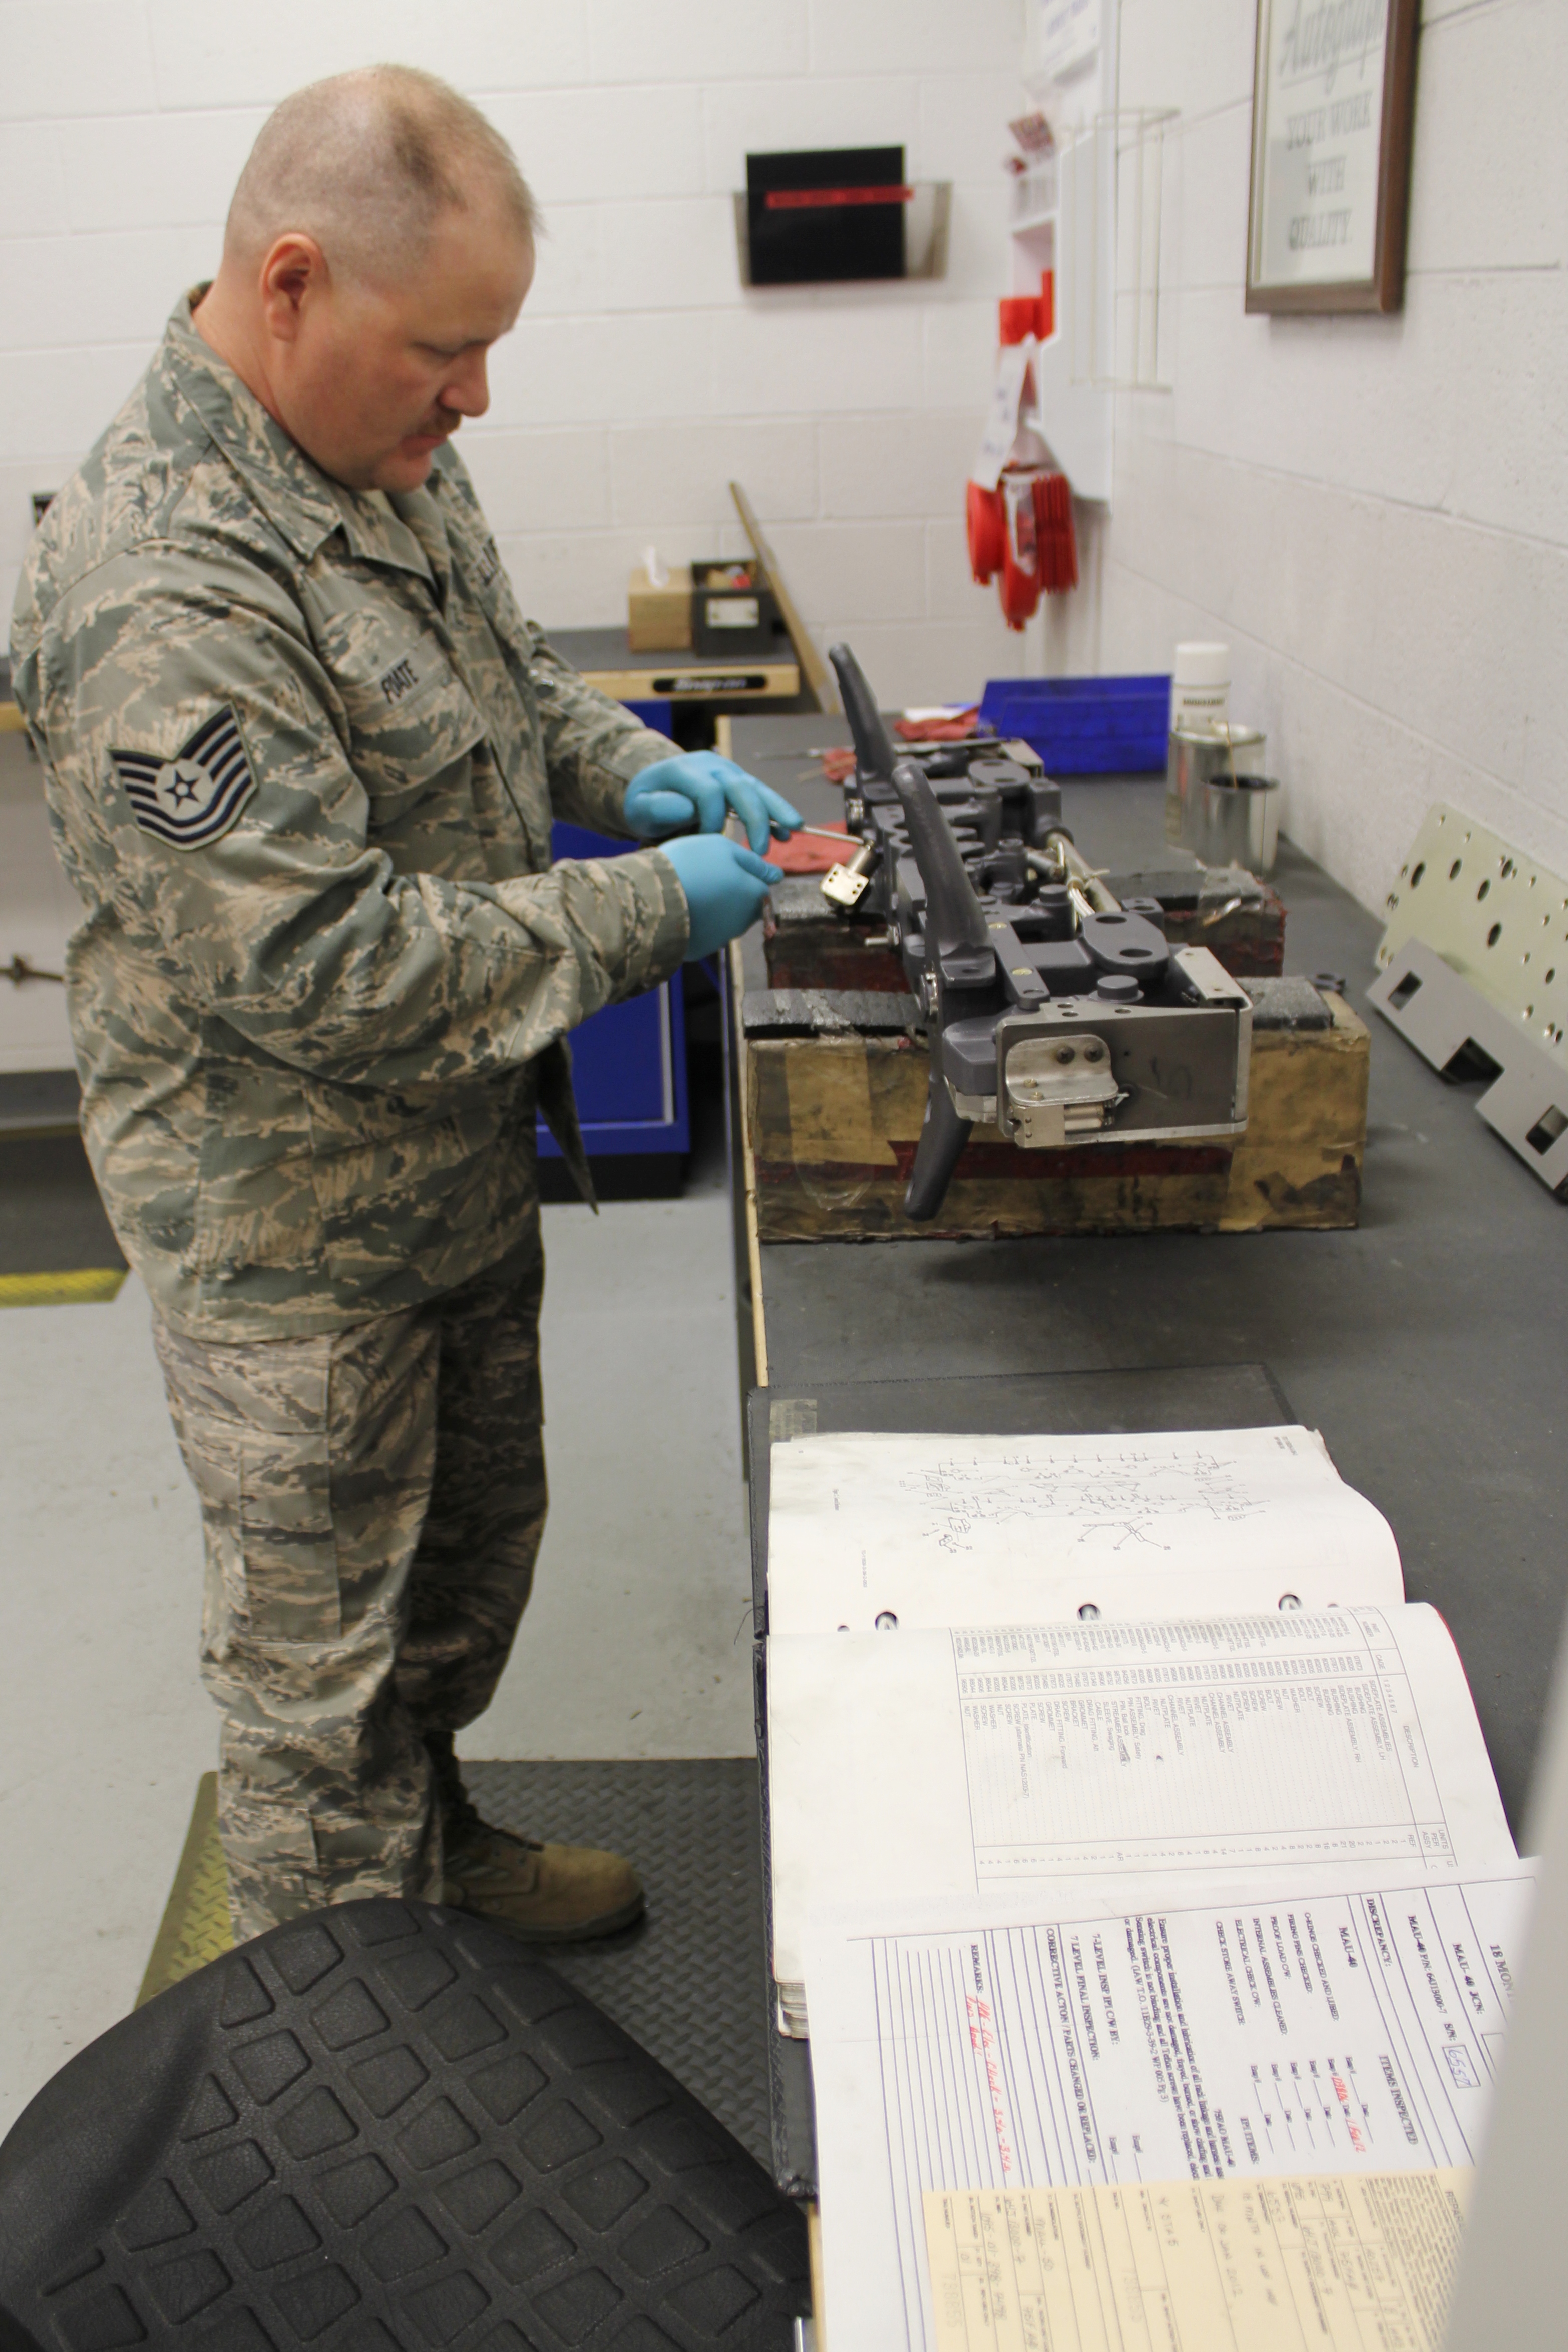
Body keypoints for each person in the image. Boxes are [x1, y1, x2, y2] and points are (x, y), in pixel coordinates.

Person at [10, 64, 802, 1946]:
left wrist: (639, 772)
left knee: (448, 1589)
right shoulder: (161, 578)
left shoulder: (376, 454)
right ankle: (341, 2091)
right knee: (316, 1696)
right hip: (286, 1236)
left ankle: (428, 1863)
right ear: (291, 284)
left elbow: (508, 678)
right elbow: (326, 962)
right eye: (445, 349)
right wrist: (645, 911)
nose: (475, 397)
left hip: (440, 1169)